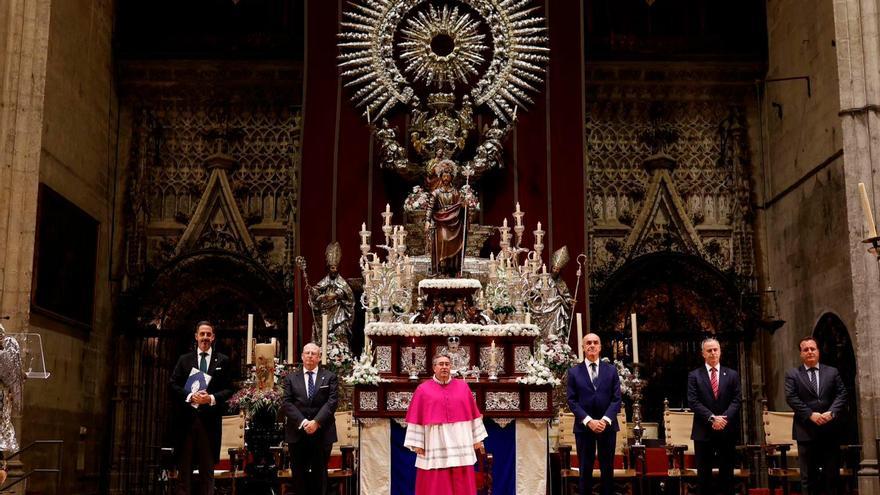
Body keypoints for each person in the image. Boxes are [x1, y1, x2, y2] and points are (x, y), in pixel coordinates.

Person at [404, 354, 488, 494]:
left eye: (447, 364)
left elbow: (473, 415)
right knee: (436, 483)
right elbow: (416, 418)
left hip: (460, 441)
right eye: (441, 364)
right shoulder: (423, 390)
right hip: (435, 441)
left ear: (451, 367)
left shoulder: (463, 388)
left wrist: (477, 439)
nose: (444, 367)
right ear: (434, 368)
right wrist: (417, 443)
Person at [169, 321, 234, 495]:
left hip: (209, 423)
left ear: (213, 337)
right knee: (184, 472)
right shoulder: (184, 360)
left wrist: (211, 398)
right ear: (196, 336)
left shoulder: (223, 360)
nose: (205, 337)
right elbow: (173, 384)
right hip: (187, 422)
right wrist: (190, 396)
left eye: (208, 334)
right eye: (202, 334)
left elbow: (229, 388)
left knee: (207, 472)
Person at [784, 336, 848, 495]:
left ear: (818, 351)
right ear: (801, 354)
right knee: (808, 477)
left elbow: (842, 394)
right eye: (805, 349)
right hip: (806, 431)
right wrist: (810, 414)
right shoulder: (793, 374)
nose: (810, 352)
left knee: (831, 476)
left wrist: (831, 412)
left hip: (830, 429)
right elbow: (791, 397)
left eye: (813, 348)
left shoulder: (832, 372)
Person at [566, 333, 622, 495]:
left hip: (607, 427)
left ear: (600, 347)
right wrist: (589, 421)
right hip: (584, 428)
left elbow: (616, 399)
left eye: (595, 342)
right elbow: (572, 400)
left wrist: (604, 420)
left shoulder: (611, 371)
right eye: (588, 343)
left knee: (607, 469)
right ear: (583, 347)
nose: (592, 345)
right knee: (585, 469)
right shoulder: (574, 372)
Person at [281, 343, 338, 495]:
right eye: (307, 353)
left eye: (314, 353)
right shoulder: (291, 379)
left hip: (322, 433)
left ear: (319, 357)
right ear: (302, 356)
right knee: (299, 476)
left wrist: (316, 422)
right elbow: (286, 403)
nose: (310, 356)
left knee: (319, 476)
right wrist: (304, 422)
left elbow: (332, 403)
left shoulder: (330, 377)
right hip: (298, 433)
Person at [687, 337, 742, 495]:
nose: (712, 353)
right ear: (703, 354)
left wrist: (723, 418)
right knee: (704, 477)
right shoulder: (694, 375)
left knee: (727, 476)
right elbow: (693, 401)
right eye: (709, 350)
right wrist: (712, 418)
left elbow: (737, 400)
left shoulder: (732, 374)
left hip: (726, 431)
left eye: (715, 350)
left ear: (720, 351)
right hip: (703, 431)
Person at [308, 242, 355, 349]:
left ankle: (342, 354)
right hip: (325, 313)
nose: (334, 270)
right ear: (328, 268)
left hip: (339, 314)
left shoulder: (341, 282)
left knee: (339, 332)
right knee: (324, 336)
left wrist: (335, 295)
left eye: (335, 268)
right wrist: (313, 291)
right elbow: (317, 289)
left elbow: (347, 293)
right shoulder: (325, 281)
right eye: (331, 268)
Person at [425, 160, 465, 276]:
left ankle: (452, 268)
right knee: (443, 239)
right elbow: (430, 207)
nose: (446, 178)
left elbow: (460, 207)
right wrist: (427, 221)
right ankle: (441, 267)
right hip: (441, 221)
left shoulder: (456, 192)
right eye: (444, 175)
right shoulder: (436, 193)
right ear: (440, 177)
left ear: (452, 177)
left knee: (454, 242)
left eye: (448, 176)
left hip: (454, 222)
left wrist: (464, 205)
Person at [530, 245, 574, 341]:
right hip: (543, 306)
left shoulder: (560, 282)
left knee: (559, 306)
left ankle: (556, 339)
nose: (555, 271)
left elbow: (566, 295)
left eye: (557, 269)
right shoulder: (544, 278)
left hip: (556, 307)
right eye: (554, 268)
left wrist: (570, 300)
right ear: (551, 268)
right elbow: (535, 291)